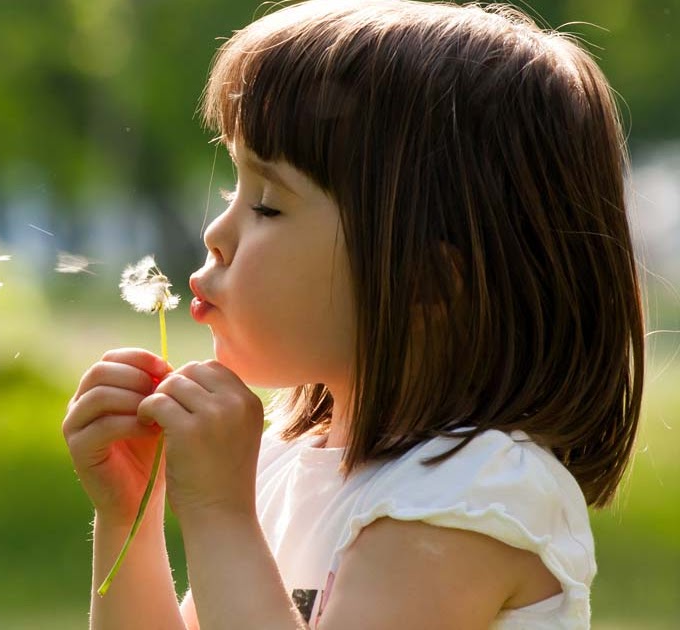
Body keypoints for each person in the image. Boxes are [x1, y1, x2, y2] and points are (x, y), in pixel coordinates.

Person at [62, 0, 644, 627]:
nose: (215, 233)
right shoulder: (286, 463)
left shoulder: (468, 497)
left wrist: (220, 516)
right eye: (235, 188)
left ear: (425, 281)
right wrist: (131, 518)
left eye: (268, 205)